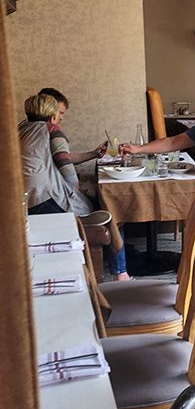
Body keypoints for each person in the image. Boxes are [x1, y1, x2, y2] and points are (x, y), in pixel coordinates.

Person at [20, 92, 131, 281]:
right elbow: (64, 164)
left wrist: (93, 154)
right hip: (44, 199)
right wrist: (76, 189)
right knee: (109, 207)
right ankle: (120, 273)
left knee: (96, 197)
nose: (61, 118)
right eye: (60, 114)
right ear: (52, 115)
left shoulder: (21, 129)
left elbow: (55, 158)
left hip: (23, 202)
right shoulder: (51, 129)